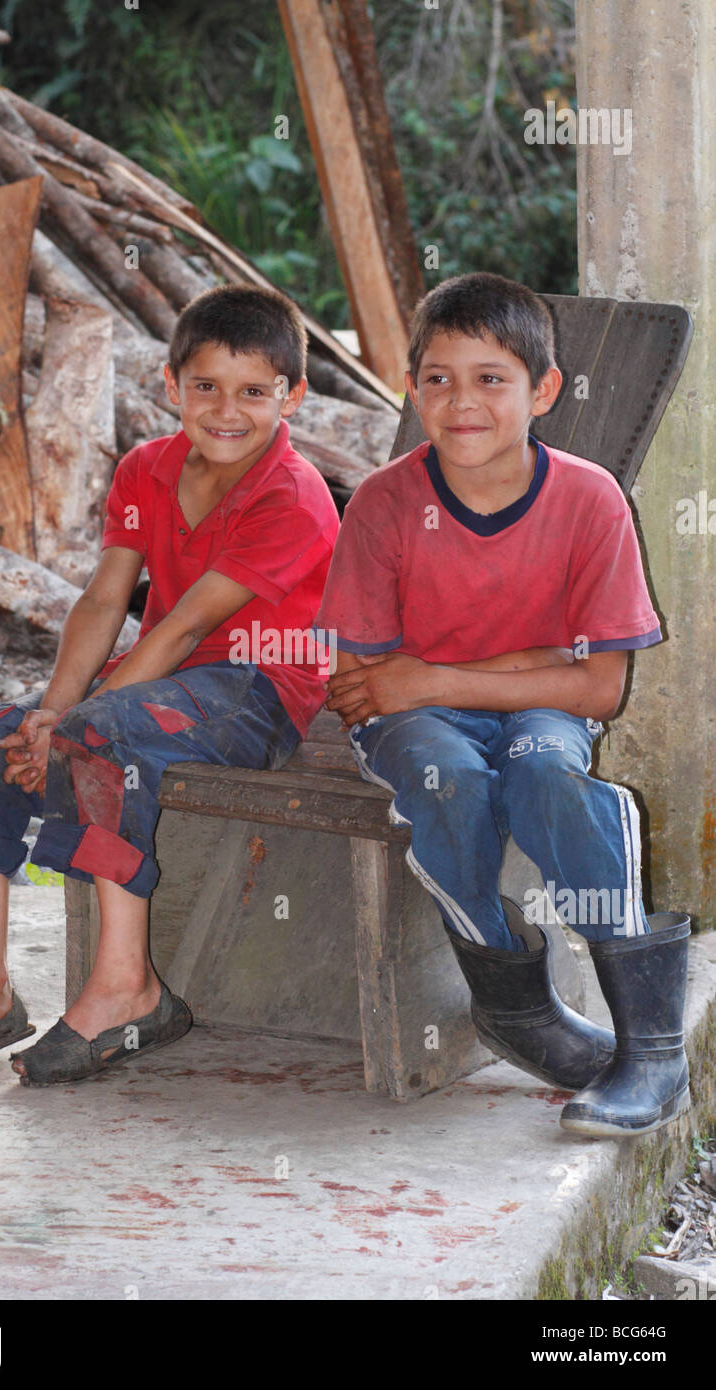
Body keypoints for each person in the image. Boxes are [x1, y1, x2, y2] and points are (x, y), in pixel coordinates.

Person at [0, 285, 339, 1087]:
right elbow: (106, 599)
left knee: (97, 737)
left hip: (262, 693)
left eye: (254, 392)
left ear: (293, 396)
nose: (226, 410)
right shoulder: (146, 469)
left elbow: (181, 630)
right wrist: (48, 711)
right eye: (205, 386)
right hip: (166, 688)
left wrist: (77, 721)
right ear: (170, 385)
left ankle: (126, 990)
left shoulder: (292, 496)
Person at [315, 271, 690, 1138]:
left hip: (526, 719)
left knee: (551, 778)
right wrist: (534, 660)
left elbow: (599, 688)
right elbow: (367, 686)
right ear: (412, 388)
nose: (462, 401)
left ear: (543, 389)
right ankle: (516, 1004)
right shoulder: (384, 503)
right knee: (447, 777)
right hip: (418, 728)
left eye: (492, 378)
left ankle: (652, 1050)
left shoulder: (590, 498)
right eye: (439, 377)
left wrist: (440, 674)